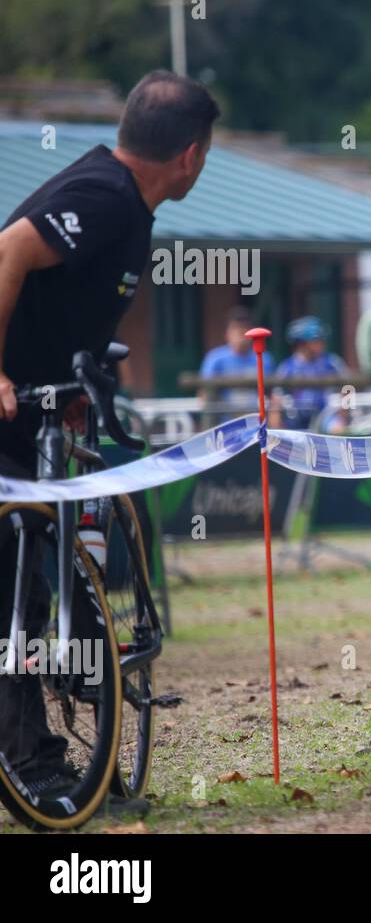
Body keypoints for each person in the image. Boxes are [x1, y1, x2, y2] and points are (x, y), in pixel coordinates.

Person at [0, 69, 218, 804]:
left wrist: (70, 388)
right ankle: (33, 766)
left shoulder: (129, 205)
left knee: (49, 588)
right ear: (191, 154)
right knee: (17, 596)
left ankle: (88, 769)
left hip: (41, 417)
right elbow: (6, 254)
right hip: (5, 416)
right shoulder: (101, 194)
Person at [270, 316, 347, 432]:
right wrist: (276, 427)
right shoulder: (287, 367)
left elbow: (348, 389)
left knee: (338, 428)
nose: (321, 343)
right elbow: (276, 400)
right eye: (316, 340)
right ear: (302, 343)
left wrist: (344, 416)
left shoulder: (332, 363)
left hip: (325, 415)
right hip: (295, 418)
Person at [199, 306, 274, 414]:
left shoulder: (264, 358)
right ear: (226, 334)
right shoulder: (215, 358)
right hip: (224, 421)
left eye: (244, 327)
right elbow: (204, 393)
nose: (240, 332)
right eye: (235, 328)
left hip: (255, 417)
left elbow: (272, 394)